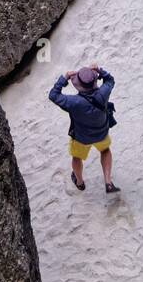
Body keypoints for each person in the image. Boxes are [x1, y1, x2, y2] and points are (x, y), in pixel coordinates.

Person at [49, 65, 120, 194]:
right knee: (105, 150)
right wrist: (99, 69)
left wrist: (64, 78)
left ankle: (80, 183)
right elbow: (110, 80)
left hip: (81, 138)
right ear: (94, 81)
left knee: (77, 157)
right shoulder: (103, 93)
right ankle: (108, 183)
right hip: (102, 132)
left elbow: (53, 95)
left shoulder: (73, 102)